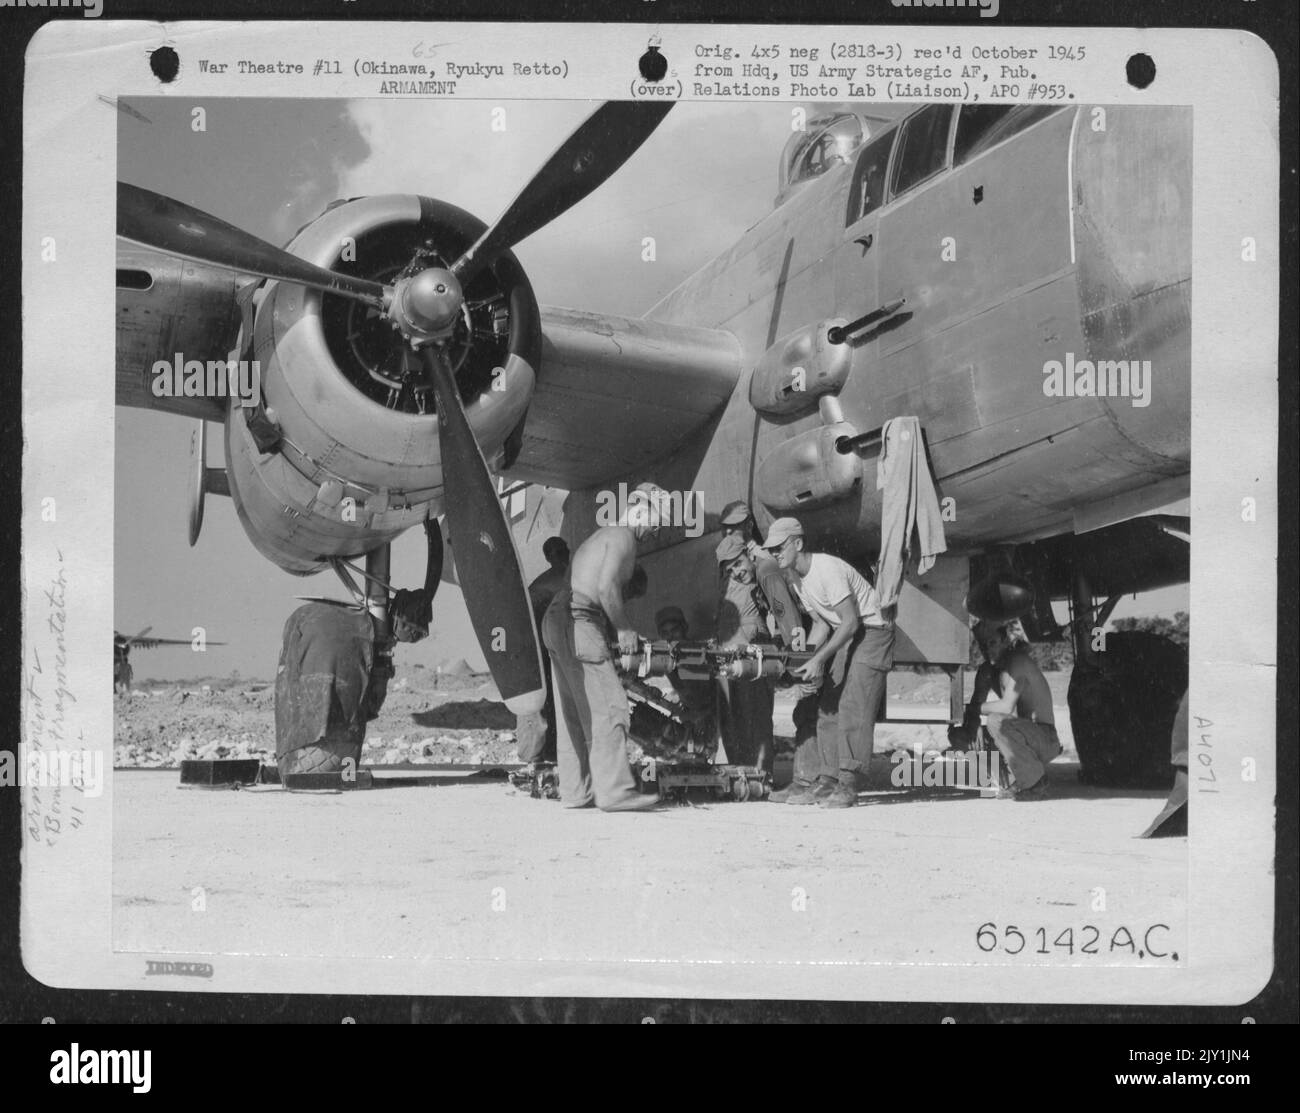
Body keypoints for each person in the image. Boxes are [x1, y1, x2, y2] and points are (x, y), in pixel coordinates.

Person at [540, 483, 671, 811]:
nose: (654, 532)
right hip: (578, 617)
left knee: (572, 712)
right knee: (611, 705)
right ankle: (615, 791)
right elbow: (606, 585)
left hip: (557, 619)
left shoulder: (601, 536)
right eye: (656, 523)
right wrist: (625, 629)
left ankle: (576, 791)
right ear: (642, 510)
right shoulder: (624, 537)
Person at [762, 517, 895, 809]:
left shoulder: (827, 570)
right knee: (826, 705)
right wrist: (807, 661)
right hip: (848, 631)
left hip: (873, 631)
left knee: (852, 706)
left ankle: (848, 784)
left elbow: (848, 622)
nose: (775, 554)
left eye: (779, 547)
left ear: (797, 543)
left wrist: (819, 658)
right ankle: (826, 781)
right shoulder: (795, 576)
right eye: (771, 550)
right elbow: (822, 624)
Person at [952, 618, 1060, 800]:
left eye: (993, 643)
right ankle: (1011, 782)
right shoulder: (987, 671)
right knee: (960, 735)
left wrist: (971, 710)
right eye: (983, 645)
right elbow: (974, 710)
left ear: (1005, 641)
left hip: (1044, 739)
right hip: (1018, 734)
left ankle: (1035, 783)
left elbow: (1006, 706)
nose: (988, 649)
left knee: (996, 721)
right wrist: (973, 723)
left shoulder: (1019, 662)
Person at [713, 535, 776, 771]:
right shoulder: (726, 580)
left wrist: (759, 553)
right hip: (726, 651)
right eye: (729, 568)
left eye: (737, 563)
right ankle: (739, 771)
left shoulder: (759, 569)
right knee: (731, 716)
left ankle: (761, 773)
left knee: (757, 714)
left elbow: (775, 572)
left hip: (750, 649)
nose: (736, 571)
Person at [518, 537, 570, 764]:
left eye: (561, 551)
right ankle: (536, 755)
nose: (559, 556)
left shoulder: (547, 581)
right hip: (537, 645)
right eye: (556, 552)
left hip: (548, 644)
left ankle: (547, 753)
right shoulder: (563, 580)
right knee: (539, 704)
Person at [653, 604, 719, 756]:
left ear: (684, 628)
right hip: (695, 717)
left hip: (710, 719)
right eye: (665, 633)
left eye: (674, 630)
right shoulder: (673, 655)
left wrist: (690, 717)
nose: (670, 636)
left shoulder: (691, 654)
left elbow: (705, 698)